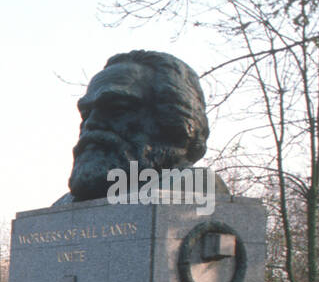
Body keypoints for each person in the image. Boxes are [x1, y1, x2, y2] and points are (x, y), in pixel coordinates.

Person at [59, 50, 210, 204]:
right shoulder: (62, 206)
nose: (91, 122)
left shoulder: (189, 188)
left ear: (174, 121)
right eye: (86, 113)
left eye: (117, 108)